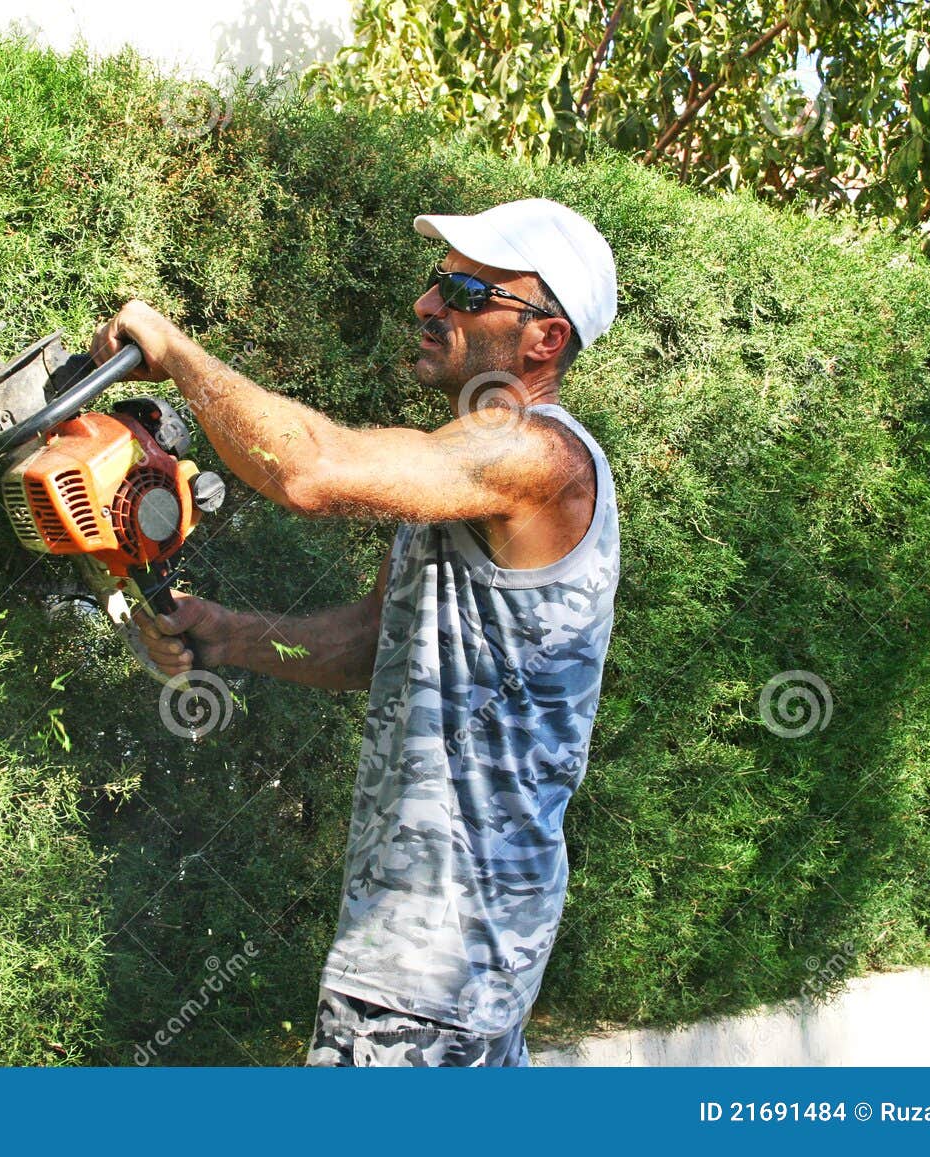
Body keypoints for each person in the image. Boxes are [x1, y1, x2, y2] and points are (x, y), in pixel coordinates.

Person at [90, 197, 621, 1067]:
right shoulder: (464, 477)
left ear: (543, 340)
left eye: (461, 289)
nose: (426, 305)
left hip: (441, 955)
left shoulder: (538, 454)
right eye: (434, 282)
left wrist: (176, 354)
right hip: (446, 946)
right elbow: (376, 640)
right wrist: (224, 634)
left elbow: (312, 467)